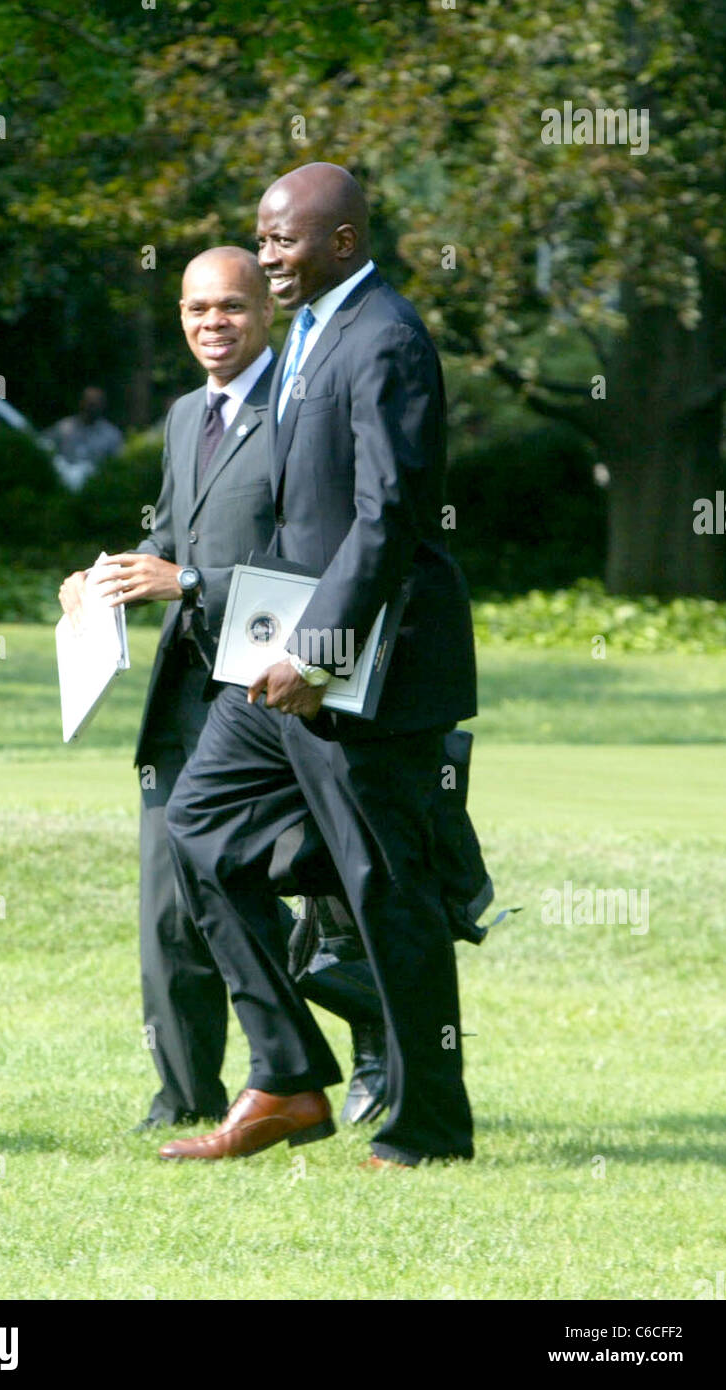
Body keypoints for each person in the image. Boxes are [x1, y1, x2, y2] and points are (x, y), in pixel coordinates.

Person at [162, 164, 479, 1169]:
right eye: (259, 239)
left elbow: (389, 520)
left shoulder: (383, 337)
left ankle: (429, 1126)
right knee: (196, 824)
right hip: (278, 664)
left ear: (339, 242)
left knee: (386, 888)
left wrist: (318, 649)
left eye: (280, 241)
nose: (264, 257)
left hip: (360, 669)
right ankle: (290, 1074)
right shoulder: (309, 331)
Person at [58, 247, 390, 1131]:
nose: (215, 324)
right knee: (168, 909)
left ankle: (353, 1044)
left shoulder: (302, 413)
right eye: (198, 309)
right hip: (184, 697)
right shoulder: (179, 417)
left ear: (267, 314)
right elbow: (167, 543)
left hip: (275, 692)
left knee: (303, 882)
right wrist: (97, 587)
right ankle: (184, 1098)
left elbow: (324, 561)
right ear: (179, 316)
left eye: (233, 308)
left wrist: (192, 582)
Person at [44, 386, 123, 492]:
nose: (91, 407)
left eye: (95, 404)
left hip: (95, 491)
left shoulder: (111, 435)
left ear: (103, 406)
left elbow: (118, 466)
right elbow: (43, 446)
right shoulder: (64, 427)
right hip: (61, 488)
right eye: (89, 403)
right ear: (81, 402)